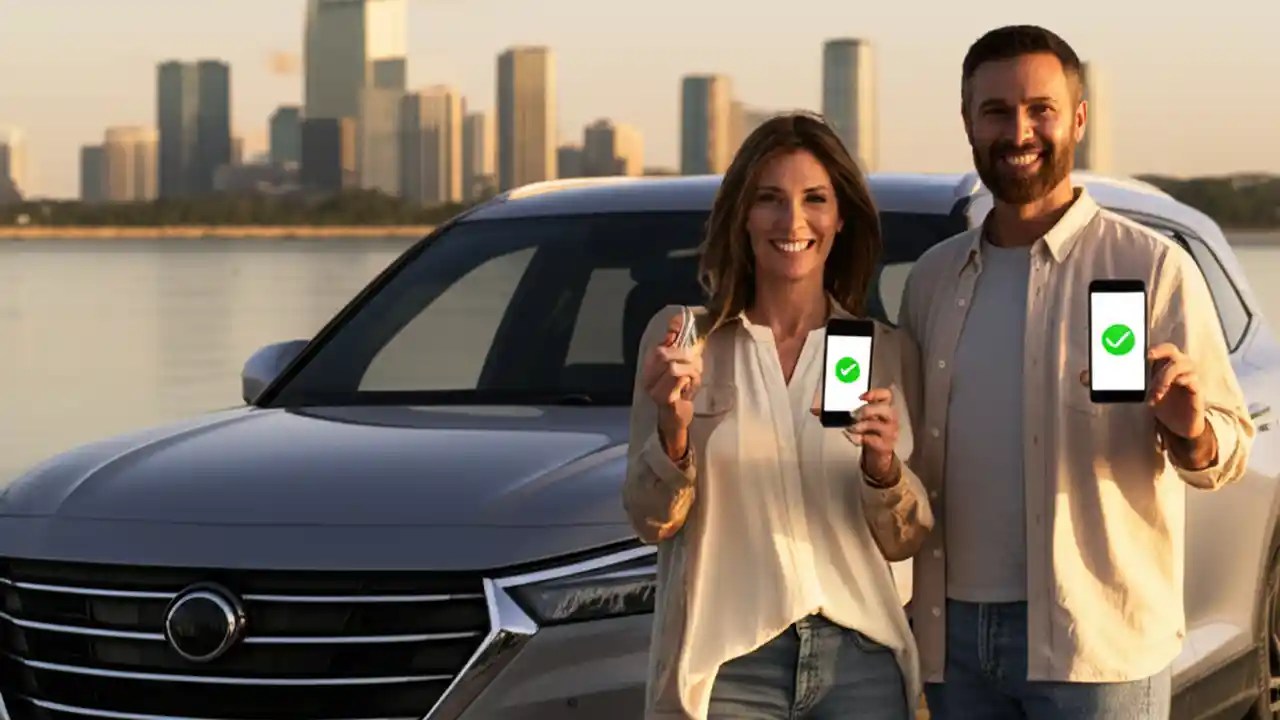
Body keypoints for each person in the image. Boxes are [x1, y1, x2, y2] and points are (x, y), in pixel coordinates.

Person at [898, 24, 1256, 719]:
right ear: (968, 121)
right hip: (955, 644)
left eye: (1040, 109)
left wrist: (1190, 433)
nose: (1019, 130)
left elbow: (1230, 446)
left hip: (1097, 643)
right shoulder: (933, 281)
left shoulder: (1149, 267)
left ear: (1078, 119)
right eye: (996, 111)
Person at [622, 111, 934, 720]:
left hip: (862, 663)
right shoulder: (687, 342)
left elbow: (909, 540)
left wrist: (882, 469)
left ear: (841, 218)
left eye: (814, 199)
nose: (793, 222)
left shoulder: (887, 351)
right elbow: (649, 519)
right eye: (770, 199)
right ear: (743, 214)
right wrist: (675, 433)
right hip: (728, 668)